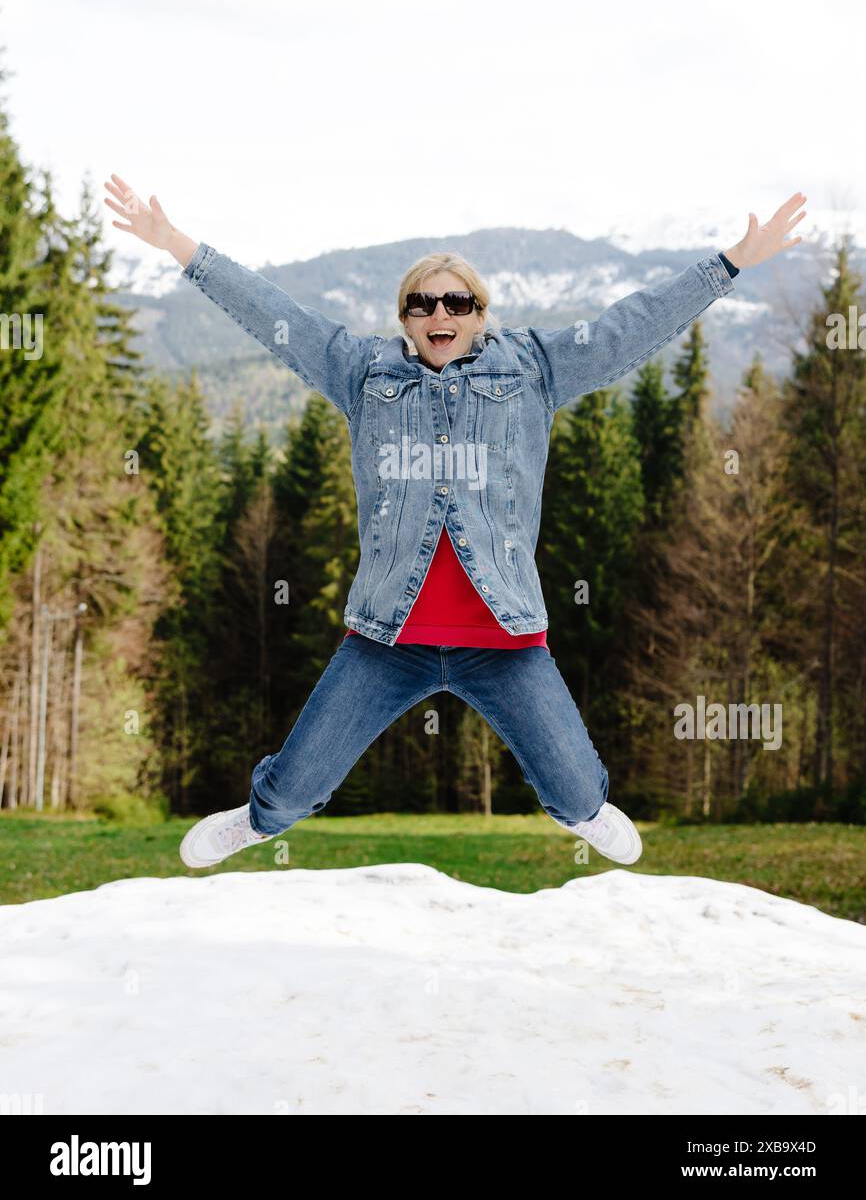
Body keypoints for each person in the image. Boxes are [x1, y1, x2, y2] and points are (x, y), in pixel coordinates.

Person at [103, 176, 806, 869]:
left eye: (457, 301)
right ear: (405, 317)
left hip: (503, 636)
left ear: (479, 313)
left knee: (577, 793)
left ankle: (584, 811)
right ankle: (257, 822)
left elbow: (630, 327)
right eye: (422, 302)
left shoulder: (534, 368)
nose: (440, 311)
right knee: (292, 791)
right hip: (387, 637)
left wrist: (730, 264)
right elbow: (272, 311)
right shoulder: (361, 372)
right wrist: (177, 246)